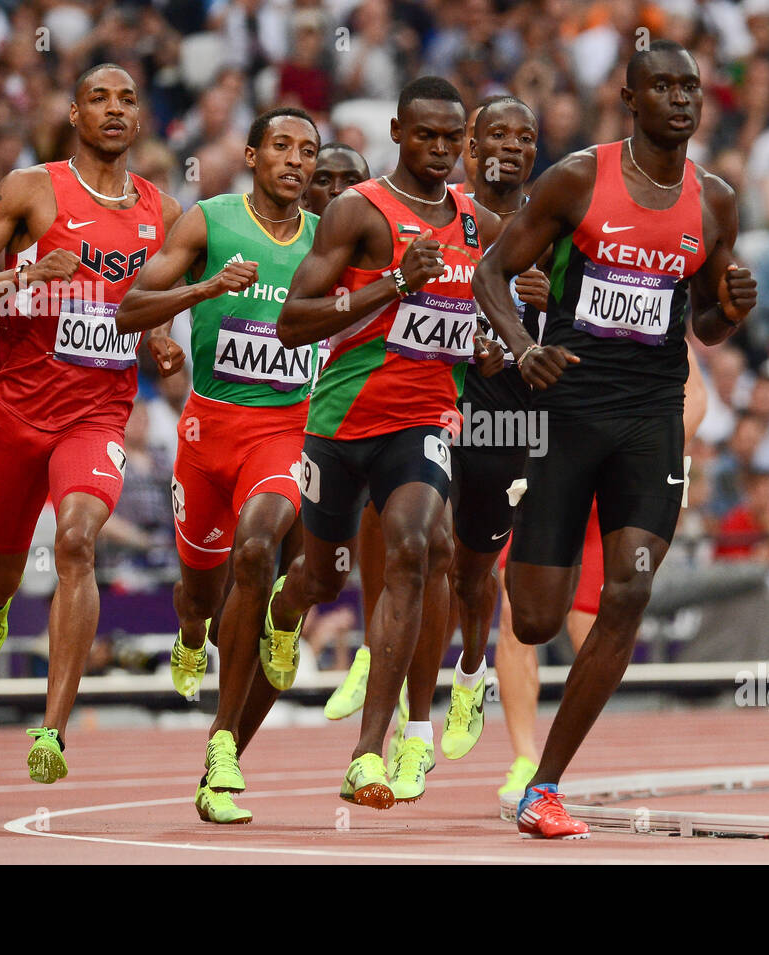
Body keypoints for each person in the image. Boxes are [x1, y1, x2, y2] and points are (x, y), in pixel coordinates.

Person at [472, 40, 756, 838]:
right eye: (661, 86)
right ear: (630, 98)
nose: (680, 99)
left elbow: (703, 321)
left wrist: (730, 308)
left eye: (690, 87)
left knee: (629, 591)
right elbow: (490, 273)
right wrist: (524, 349)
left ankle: (547, 783)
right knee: (532, 618)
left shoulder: (716, 202)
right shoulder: (577, 179)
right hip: (568, 411)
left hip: (651, 416)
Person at [0, 64, 185, 783]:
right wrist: (21, 276)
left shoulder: (162, 213)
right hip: (15, 413)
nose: (114, 110)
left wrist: (160, 337)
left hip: (98, 412)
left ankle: (52, 729)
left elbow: (152, 305)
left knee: (77, 542)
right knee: (2, 568)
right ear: (74, 114)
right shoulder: (30, 190)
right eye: (99, 98)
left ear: (139, 120)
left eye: (127, 100)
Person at [266, 76, 503, 809]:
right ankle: (285, 607)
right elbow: (295, 321)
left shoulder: (476, 222)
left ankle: (371, 750)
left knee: (413, 546)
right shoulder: (357, 212)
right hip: (340, 423)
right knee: (323, 577)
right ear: (397, 132)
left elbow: (504, 297)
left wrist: (496, 338)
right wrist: (394, 282)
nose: (439, 150)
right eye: (424, 135)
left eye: (450, 139)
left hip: (425, 420)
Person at [115, 107, 323, 824]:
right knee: (199, 594)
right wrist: (198, 298)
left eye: (308, 150)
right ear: (252, 154)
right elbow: (131, 307)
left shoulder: (326, 242)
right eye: (282, 146)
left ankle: (223, 745)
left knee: (258, 547)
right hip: (207, 437)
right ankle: (192, 633)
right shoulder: (209, 221)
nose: (295, 159)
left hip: (284, 432)